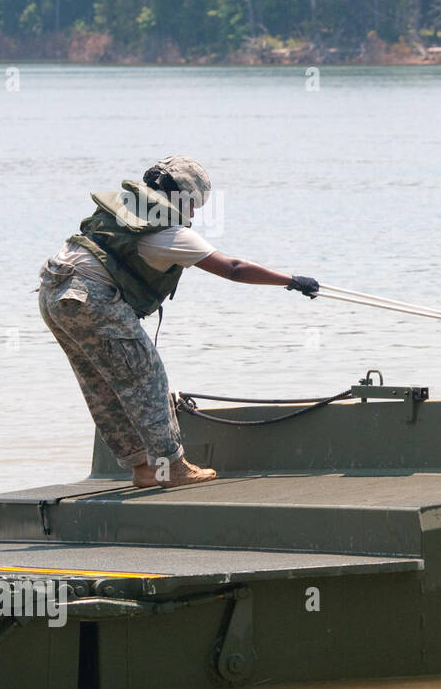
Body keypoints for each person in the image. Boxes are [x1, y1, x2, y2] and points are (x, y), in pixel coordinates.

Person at [37, 156, 319, 489]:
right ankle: (171, 465)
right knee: (147, 377)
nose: (196, 214)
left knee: (101, 384)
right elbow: (234, 268)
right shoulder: (167, 231)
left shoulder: (123, 211)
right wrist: (290, 280)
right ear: (181, 197)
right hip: (92, 298)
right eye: (195, 204)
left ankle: (143, 467)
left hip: (54, 291)